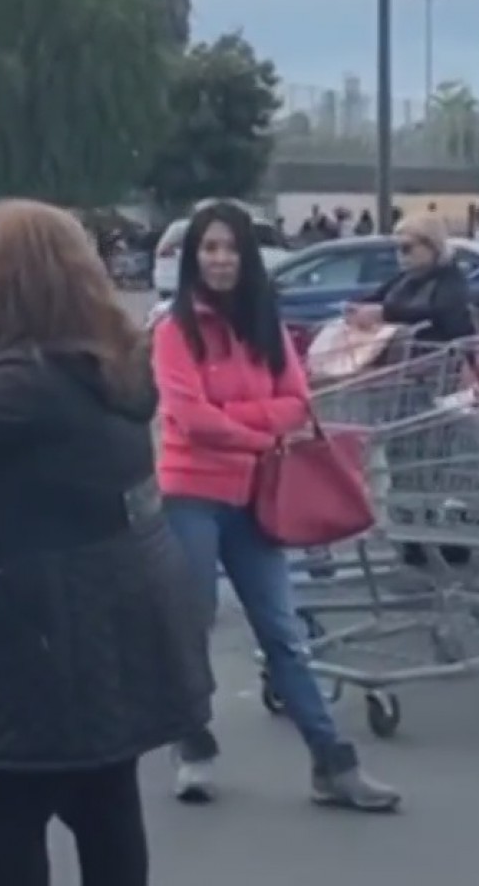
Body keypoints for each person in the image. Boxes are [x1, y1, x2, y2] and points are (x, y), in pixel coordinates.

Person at [0, 199, 209, 886]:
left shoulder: (26, 383)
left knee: (2, 813)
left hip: (42, 629)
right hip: (116, 607)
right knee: (105, 797)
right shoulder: (112, 359)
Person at [152, 200, 400, 811]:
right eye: (208, 248)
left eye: (230, 247)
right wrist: (261, 431)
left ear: (248, 256)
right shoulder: (173, 329)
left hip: (257, 495)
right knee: (194, 624)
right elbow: (187, 418)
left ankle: (332, 763)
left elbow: (298, 401)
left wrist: (238, 425)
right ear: (193, 258)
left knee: (283, 633)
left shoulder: (268, 324)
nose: (219, 259)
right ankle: (193, 744)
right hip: (191, 495)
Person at [345, 211, 476, 571]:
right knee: (406, 459)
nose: (401, 256)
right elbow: (377, 301)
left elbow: (444, 314)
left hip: (436, 385)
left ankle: (443, 535)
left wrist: (385, 312)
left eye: (408, 247)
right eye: (397, 249)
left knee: (434, 462)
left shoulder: (449, 281)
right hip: (403, 386)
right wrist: (358, 311)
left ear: (432, 247)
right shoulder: (404, 281)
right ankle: (413, 533)